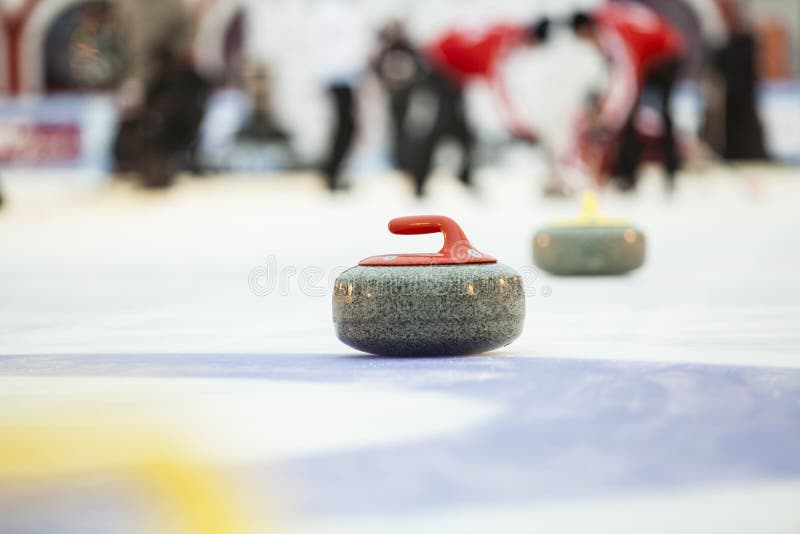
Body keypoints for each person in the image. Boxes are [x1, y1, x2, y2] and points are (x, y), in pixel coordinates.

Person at [373, 19, 549, 197]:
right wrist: (518, 126)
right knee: (440, 128)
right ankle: (420, 181)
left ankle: (463, 177)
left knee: (461, 130)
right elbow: (499, 89)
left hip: (453, 76)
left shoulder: (507, 31)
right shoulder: (502, 47)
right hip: (439, 69)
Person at [571, 4, 685, 191]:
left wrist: (610, 120)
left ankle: (669, 172)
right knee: (630, 118)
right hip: (647, 54)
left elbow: (627, 82)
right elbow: (611, 76)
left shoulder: (615, 36)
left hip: (666, 53)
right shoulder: (606, 29)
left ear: (585, 30)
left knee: (657, 114)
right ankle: (628, 174)